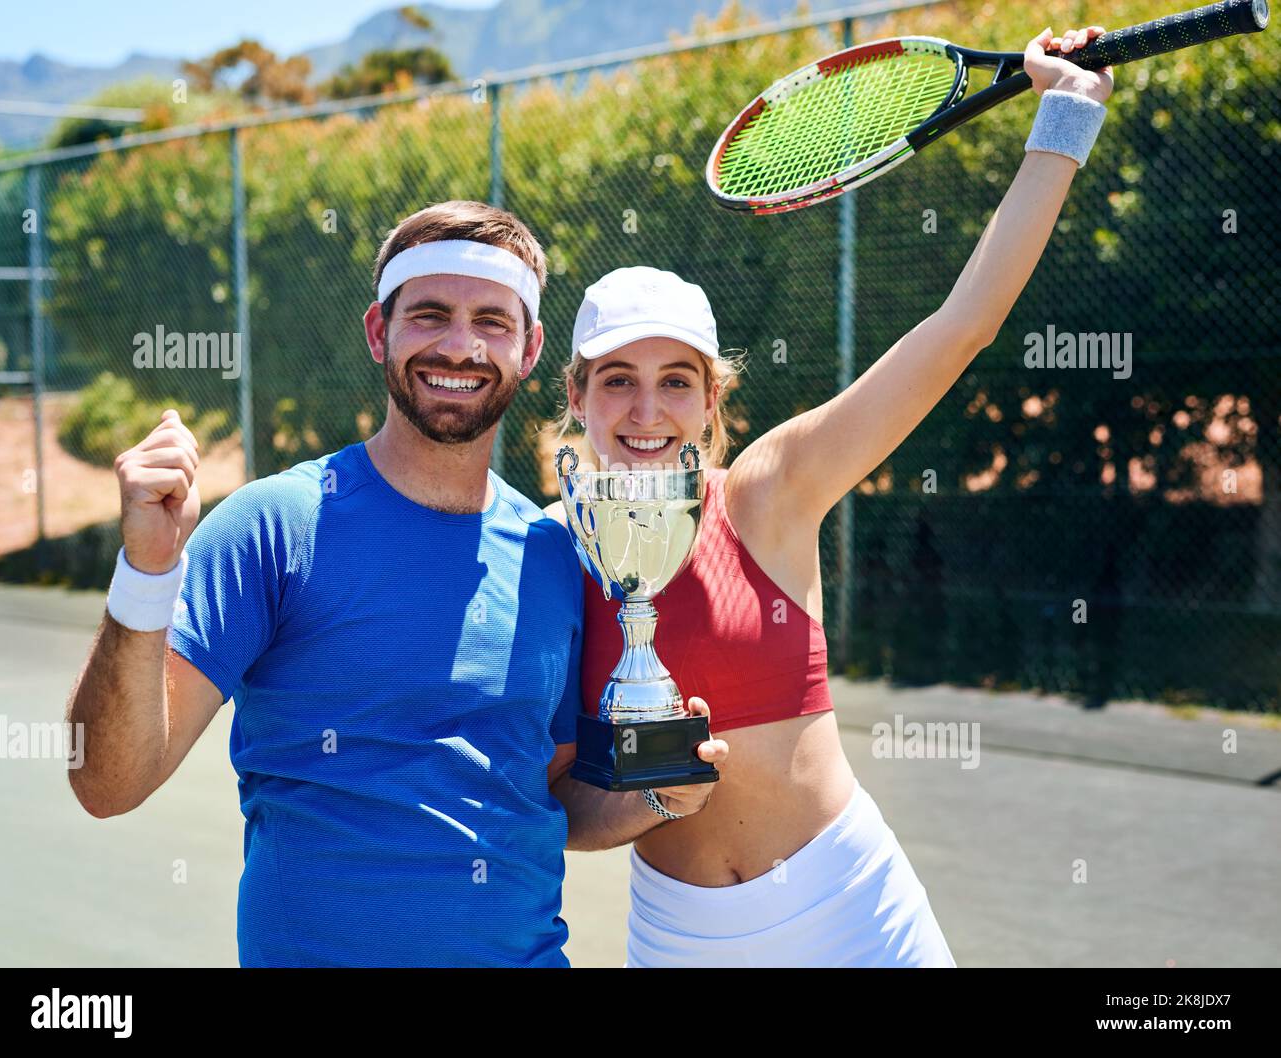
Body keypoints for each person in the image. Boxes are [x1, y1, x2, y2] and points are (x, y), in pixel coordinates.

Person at [547, 26, 1115, 966]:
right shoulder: (539, 554)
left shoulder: (773, 490)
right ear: (575, 395)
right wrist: (653, 797)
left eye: (676, 380)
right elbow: (557, 807)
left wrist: (1062, 119)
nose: (647, 411)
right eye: (617, 380)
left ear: (712, 396)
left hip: (855, 915)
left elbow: (959, 329)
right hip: (681, 939)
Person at [65, 200, 727, 967]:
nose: (460, 345)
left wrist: (657, 792)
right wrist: (145, 572)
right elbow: (107, 783)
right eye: (430, 315)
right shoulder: (272, 527)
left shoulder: (556, 554)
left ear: (530, 347)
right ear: (379, 331)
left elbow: (545, 797)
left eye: (491, 321)